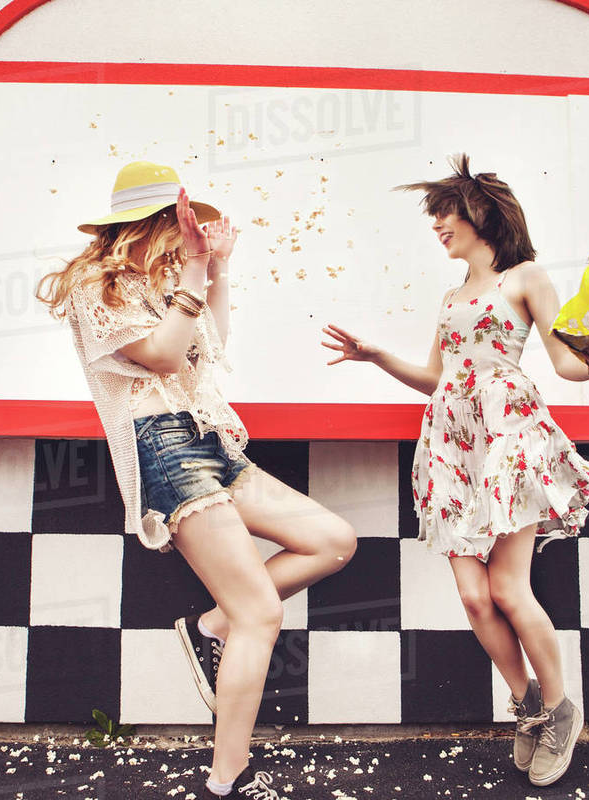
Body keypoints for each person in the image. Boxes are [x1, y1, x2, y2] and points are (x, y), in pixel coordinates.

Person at [38, 160, 357, 799]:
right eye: (177, 225)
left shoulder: (166, 280)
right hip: (164, 447)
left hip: (211, 439)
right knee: (261, 615)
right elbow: (157, 355)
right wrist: (191, 271)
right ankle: (228, 777)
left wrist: (217, 269)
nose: (187, 237)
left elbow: (208, 344)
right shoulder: (97, 286)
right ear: (150, 224)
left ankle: (210, 625)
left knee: (332, 539)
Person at [322, 154, 589, 788]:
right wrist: (377, 356)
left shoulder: (525, 278)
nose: (437, 225)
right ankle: (529, 708)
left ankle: (562, 708)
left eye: (444, 213)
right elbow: (438, 378)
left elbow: (564, 362)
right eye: (434, 215)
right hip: (450, 442)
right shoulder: (450, 296)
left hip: (510, 435)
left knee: (509, 589)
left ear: (480, 213)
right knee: (472, 594)